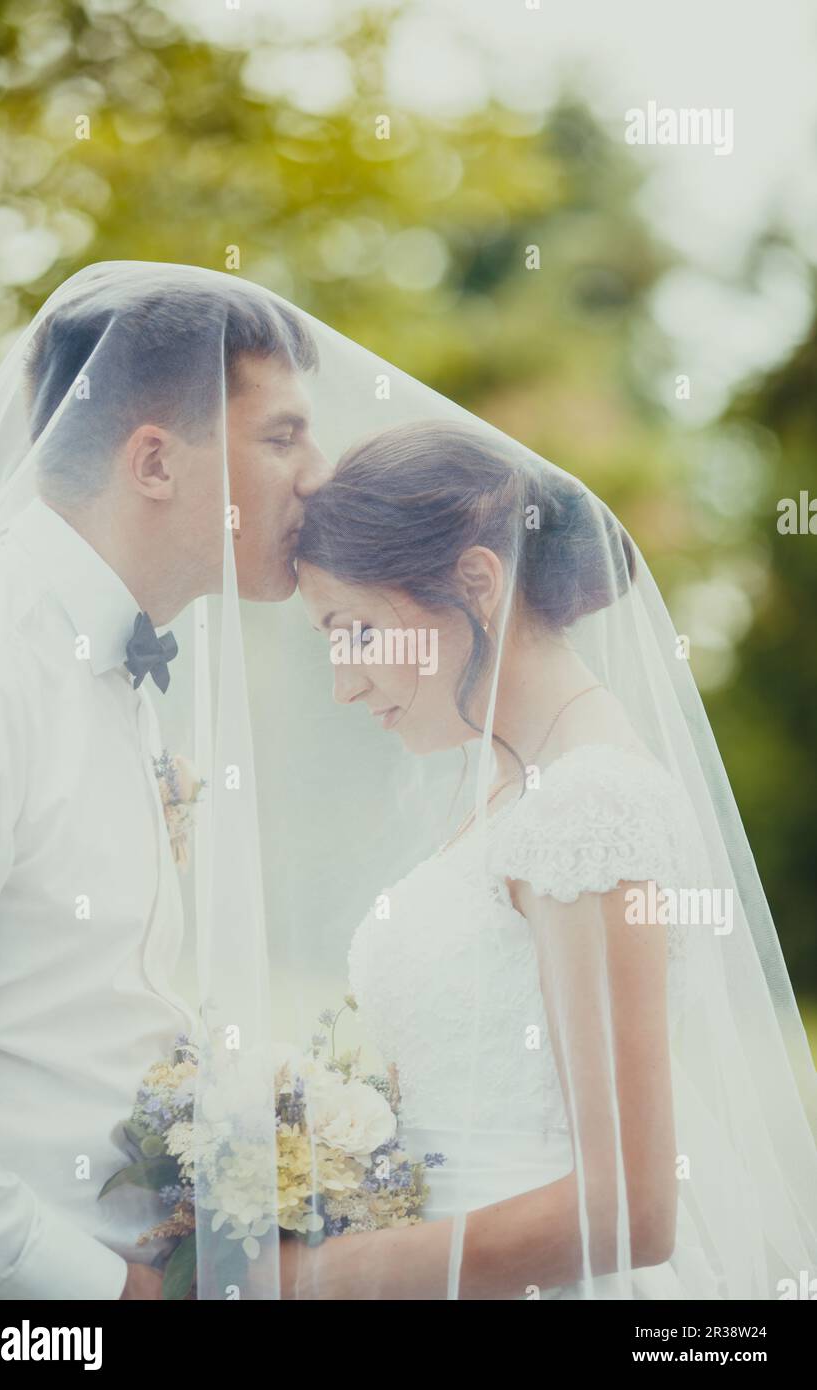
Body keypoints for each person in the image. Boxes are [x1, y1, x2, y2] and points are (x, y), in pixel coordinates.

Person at [278, 417, 817, 1299]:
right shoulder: (510, 784)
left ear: (477, 583)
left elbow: (630, 1210)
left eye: (357, 631)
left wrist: (319, 1278)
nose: (344, 681)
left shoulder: (588, 806)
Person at [0, 266, 329, 1300]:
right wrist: (96, 1287)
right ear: (154, 461)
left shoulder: (124, 668)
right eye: (283, 437)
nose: (318, 477)